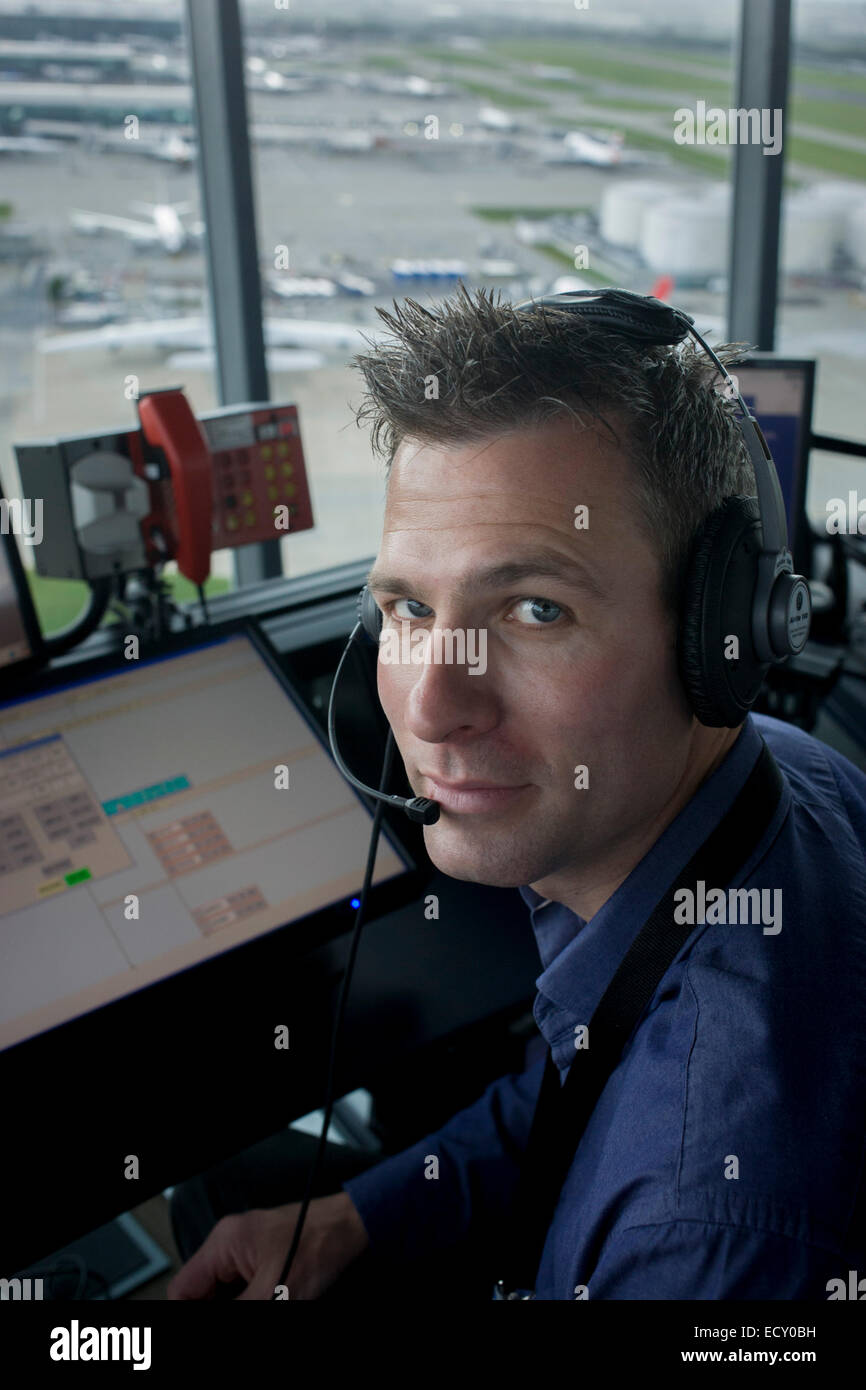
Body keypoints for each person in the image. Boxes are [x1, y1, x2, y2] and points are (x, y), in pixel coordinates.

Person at [168, 286, 866, 1301]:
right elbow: (584, 1074)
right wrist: (360, 1212)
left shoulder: (702, 1238)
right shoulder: (780, 767)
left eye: (535, 608)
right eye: (408, 605)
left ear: (718, 634)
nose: (431, 706)